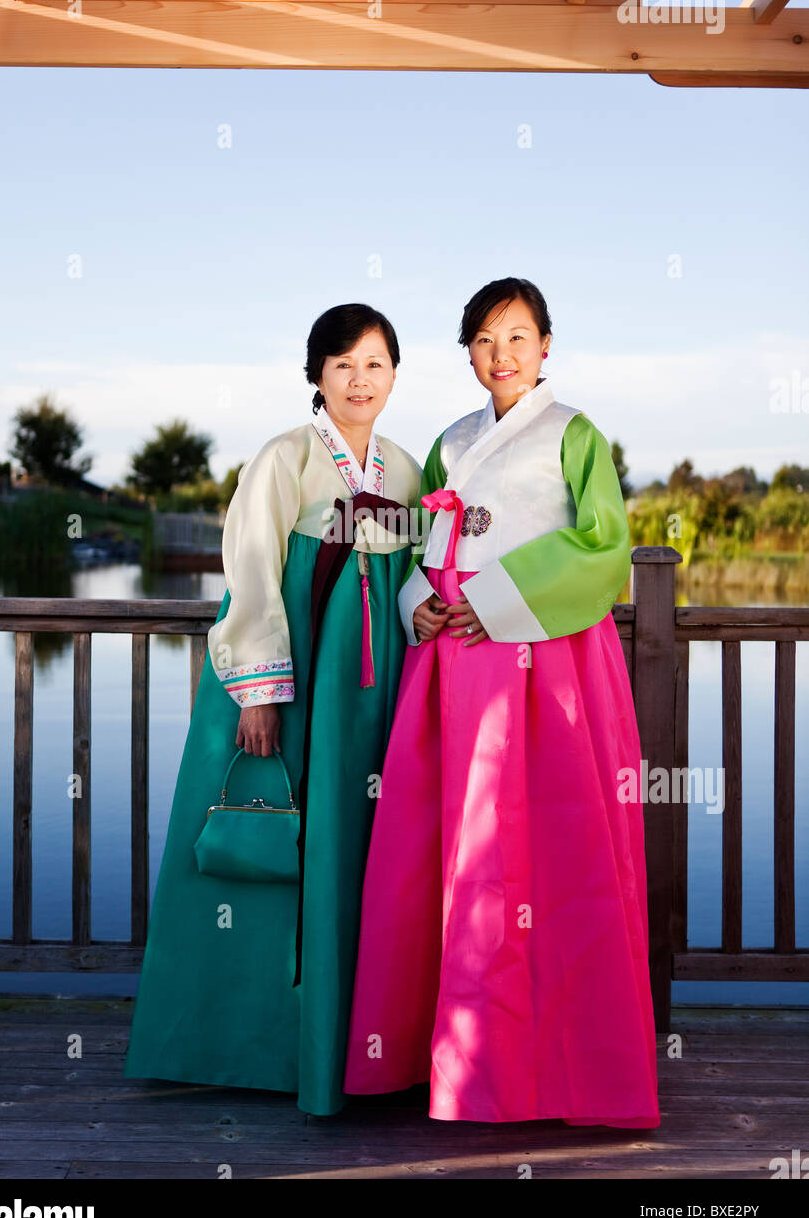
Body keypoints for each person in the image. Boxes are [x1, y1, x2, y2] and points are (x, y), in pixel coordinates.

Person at [343, 277, 660, 1128]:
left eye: (517, 337)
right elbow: (420, 541)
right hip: (451, 654)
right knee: (444, 850)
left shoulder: (574, 434)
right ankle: (442, 1060)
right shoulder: (450, 442)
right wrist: (421, 599)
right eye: (484, 340)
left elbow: (602, 546)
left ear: (546, 345)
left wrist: (500, 597)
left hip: (537, 653)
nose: (501, 355)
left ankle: (554, 1072)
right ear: (469, 353)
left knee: (550, 852)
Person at [124, 303, 421, 1117]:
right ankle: (247, 1048)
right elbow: (253, 566)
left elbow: (416, 571)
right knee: (267, 840)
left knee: (357, 849)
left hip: (366, 691)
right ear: (317, 377)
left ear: (395, 375)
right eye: (342, 365)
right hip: (288, 680)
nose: (360, 380)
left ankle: (353, 1049)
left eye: (375, 364)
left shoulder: (405, 468)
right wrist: (258, 688)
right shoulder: (285, 459)